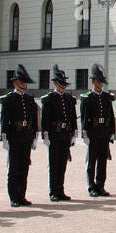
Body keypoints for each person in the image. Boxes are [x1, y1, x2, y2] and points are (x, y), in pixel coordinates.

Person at [0, 64, 38, 207]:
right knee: (14, 168)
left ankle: (22, 195)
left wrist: (35, 135)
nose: (23, 84)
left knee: (24, 167)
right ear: (15, 83)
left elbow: (33, 119)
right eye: (21, 82)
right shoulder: (9, 99)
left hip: (26, 136)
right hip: (14, 136)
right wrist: (4, 138)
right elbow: (4, 120)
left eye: (25, 82)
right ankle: (13, 196)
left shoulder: (29, 99)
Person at [41, 65, 77, 201]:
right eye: (60, 83)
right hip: (54, 135)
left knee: (62, 164)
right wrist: (45, 135)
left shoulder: (68, 98)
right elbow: (45, 119)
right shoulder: (49, 99)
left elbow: (72, 116)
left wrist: (74, 132)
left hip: (65, 134)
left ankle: (60, 190)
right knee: (54, 164)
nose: (62, 86)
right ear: (55, 83)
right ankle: (53, 191)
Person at [81, 64, 116, 197]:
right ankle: (91, 186)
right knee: (91, 162)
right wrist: (84, 133)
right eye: (98, 81)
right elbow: (84, 117)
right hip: (93, 133)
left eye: (101, 81)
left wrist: (112, 131)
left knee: (102, 161)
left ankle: (100, 185)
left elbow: (110, 115)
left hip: (104, 133)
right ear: (93, 82)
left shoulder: (106, 97)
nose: (100, 84)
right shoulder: (88, 98)